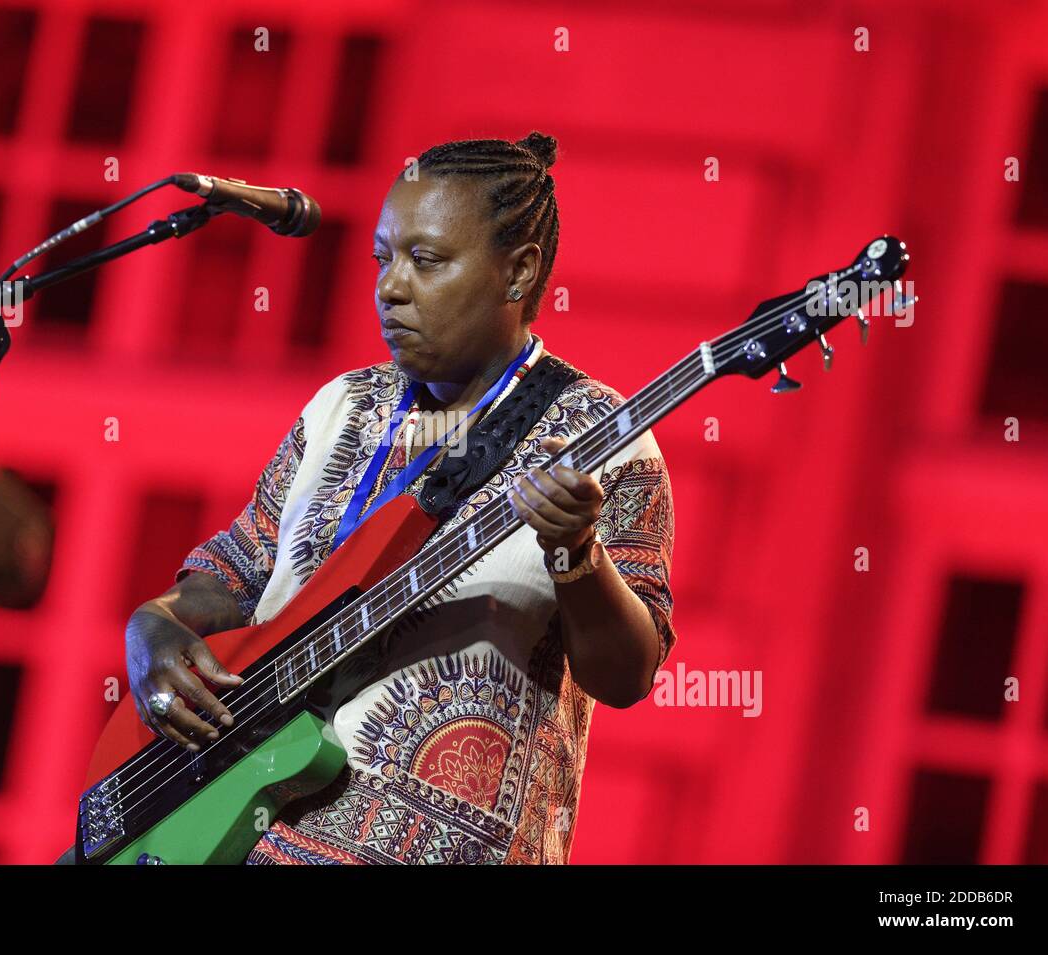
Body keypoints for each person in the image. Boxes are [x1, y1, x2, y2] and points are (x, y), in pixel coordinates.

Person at [125, 132, 677, 864]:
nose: (390, 286)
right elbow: (234, 571)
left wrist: (577, 553)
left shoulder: (604, 441)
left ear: (518, 271)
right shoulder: (343, 406)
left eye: (427, 259)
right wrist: (152, 632)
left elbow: (626, 675)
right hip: (239, 835)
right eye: (384, 258)